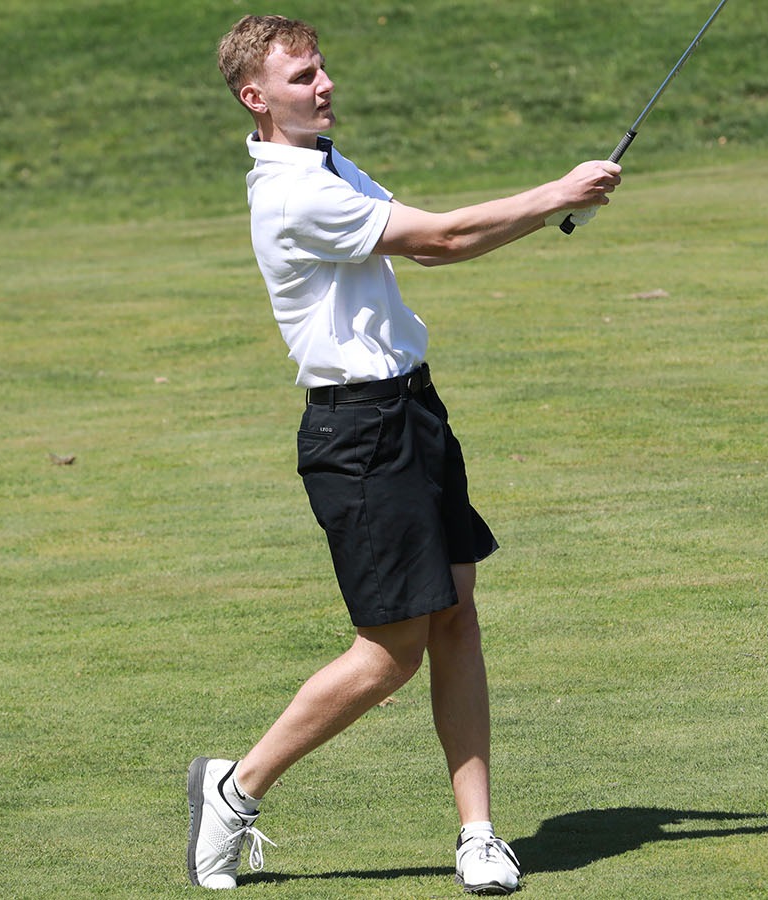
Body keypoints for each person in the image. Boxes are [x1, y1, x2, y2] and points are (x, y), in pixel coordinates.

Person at [189, 14, 622, 894]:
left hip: (414, 413)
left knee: (457, 617)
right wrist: (557, 193)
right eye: (303, 76)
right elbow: (441, 238)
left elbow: (436, 246)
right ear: (255, 96)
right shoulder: (290, 191)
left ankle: (479, 836)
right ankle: (234, 789)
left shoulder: (326, 163)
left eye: (322, 68)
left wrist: (552, 209)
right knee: (388, 654)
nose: (324, 84)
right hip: (356, 436)